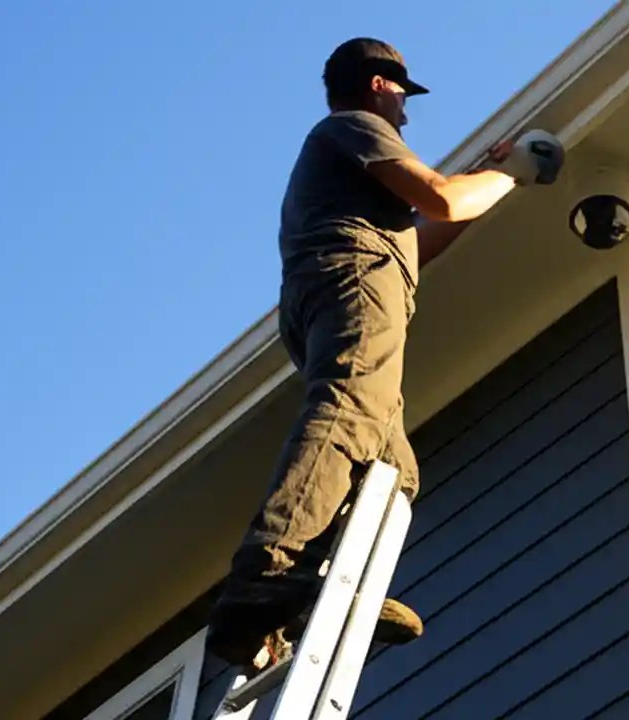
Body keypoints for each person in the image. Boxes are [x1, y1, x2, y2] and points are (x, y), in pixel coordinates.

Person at [205, 37, 560, 672]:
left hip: (347, 285)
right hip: (355, 279)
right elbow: (444, 198)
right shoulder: (352, 127)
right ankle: (266, 573)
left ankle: (304, 599)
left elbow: (425, 239)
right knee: (348, 411)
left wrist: (493, 177)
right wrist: (509, 172)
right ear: (379, 85)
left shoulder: (356, 178)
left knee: (393, 471)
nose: (405, 110)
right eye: (402, 95)